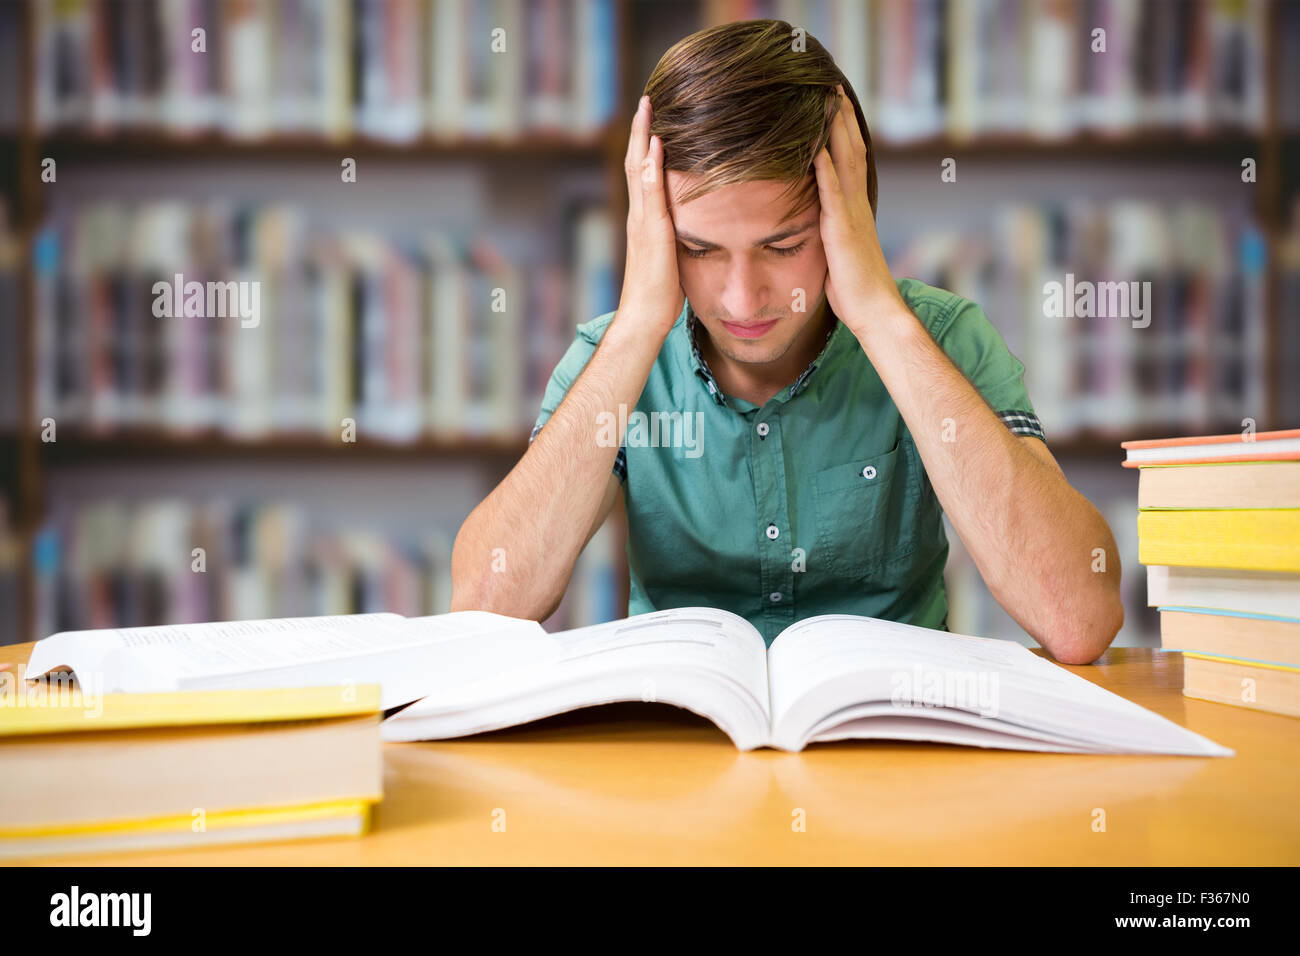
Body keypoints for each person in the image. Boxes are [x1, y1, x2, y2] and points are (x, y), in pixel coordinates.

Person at [450, 19, 1123, 664]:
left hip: (897, 754)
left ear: (849, 216)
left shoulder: (940, 336)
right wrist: (633, 331)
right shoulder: (614, 356)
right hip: (680, 754)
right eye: (700, 249)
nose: (742, 300)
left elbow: (1077, 617)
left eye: (783, 245)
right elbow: (485, 607)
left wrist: (881, 319)